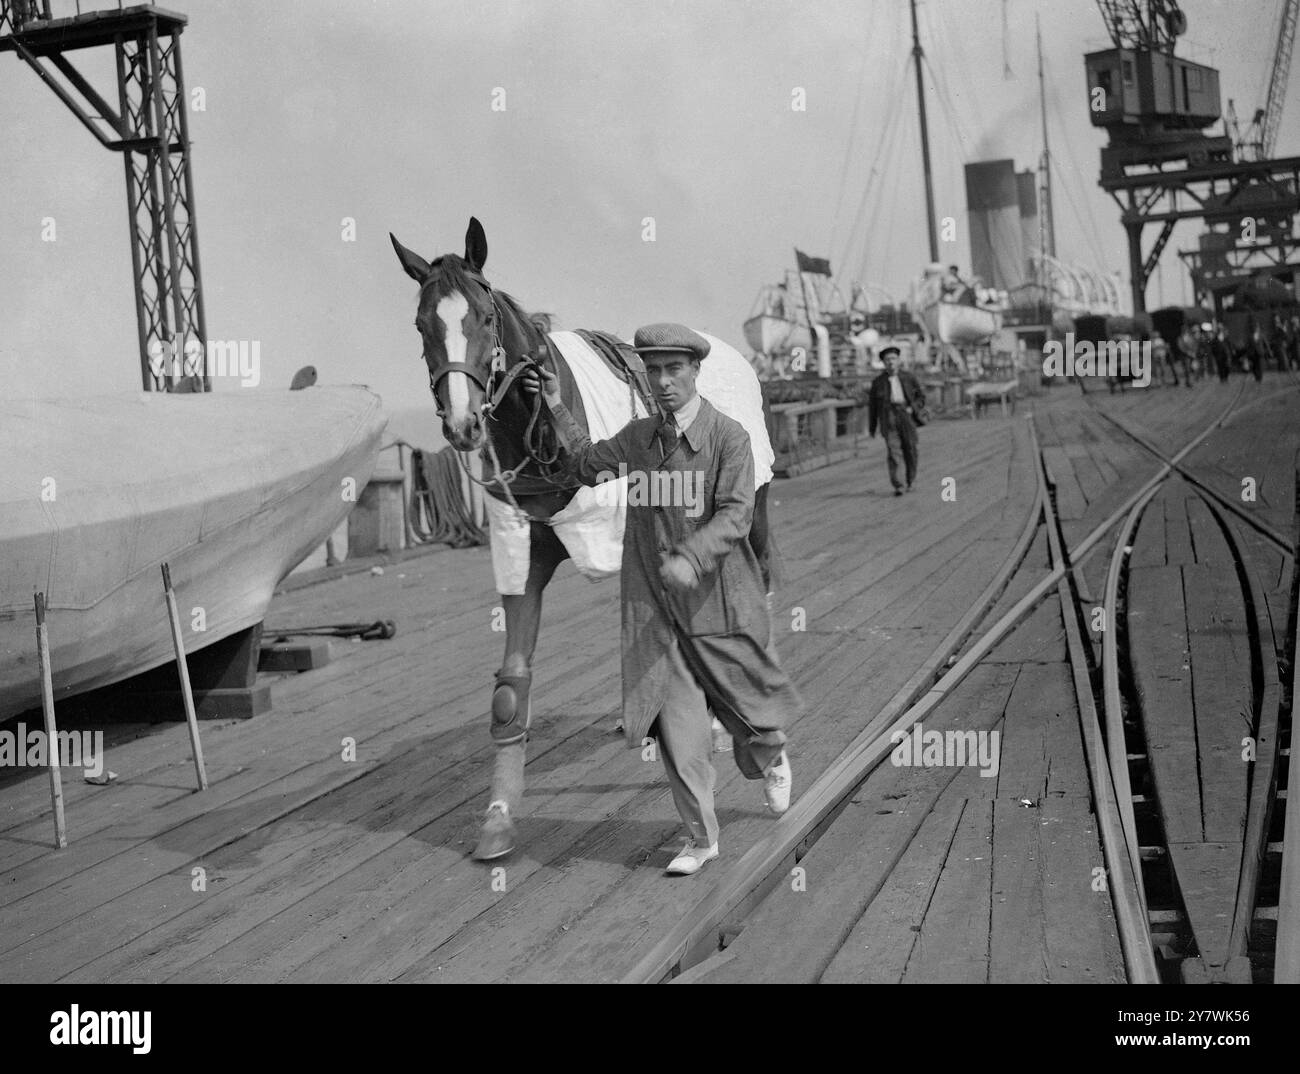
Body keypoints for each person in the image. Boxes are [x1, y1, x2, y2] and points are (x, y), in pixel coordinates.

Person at [525, 323, 800, 876]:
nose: (664, 381)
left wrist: (692, 555)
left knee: (745, 707)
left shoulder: (730, 438)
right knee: (678, 726)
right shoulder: (638, 438)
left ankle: (770, 755)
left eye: (675, 369)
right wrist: (555, 405)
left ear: (696, 371)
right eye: (654, 371)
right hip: (657, 605)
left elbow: (737, 514)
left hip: (721, 601)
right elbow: (582, 462)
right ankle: (700, 839)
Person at [867, 346, 926, 496]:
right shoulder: (878, 382)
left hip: (905, 414)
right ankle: (898, 484)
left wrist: (914, 408)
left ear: (898, 361)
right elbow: (873, 406)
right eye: (887, 360)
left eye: (893, 359)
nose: (890, 362)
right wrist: (872, 427)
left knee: (911, 449)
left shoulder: (908, 377)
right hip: (888, 417)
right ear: (883, 363)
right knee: (893, 451)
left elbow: (921, 396)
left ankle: (911, 480)